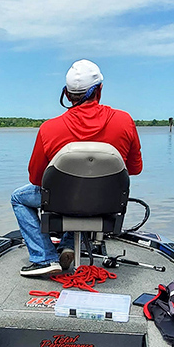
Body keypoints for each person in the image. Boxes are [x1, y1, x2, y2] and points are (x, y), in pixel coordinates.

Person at [11, 59, 143, 277]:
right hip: (107, 202)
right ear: (100, 89)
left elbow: (36, 178)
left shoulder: (49, 128)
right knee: (85, 186)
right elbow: (135, 169)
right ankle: (69, 245)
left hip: (63, 201)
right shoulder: (125, 121)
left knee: (20, 197)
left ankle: (44, 258)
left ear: (67, 94)